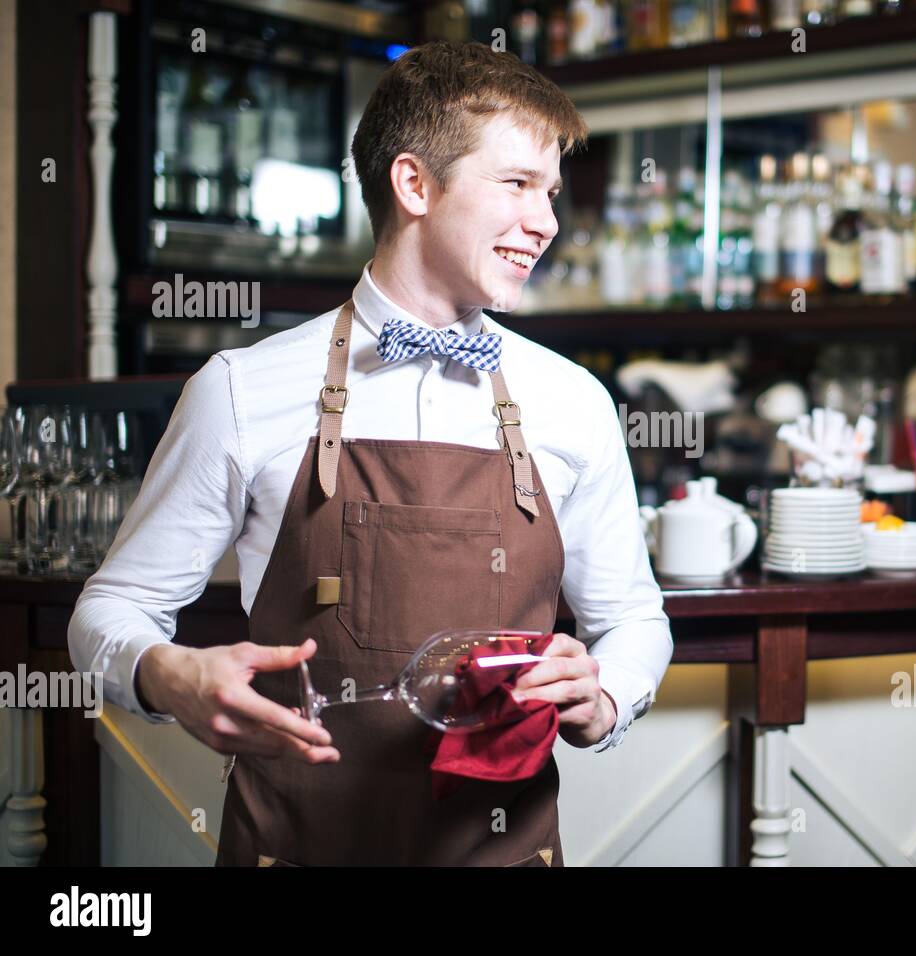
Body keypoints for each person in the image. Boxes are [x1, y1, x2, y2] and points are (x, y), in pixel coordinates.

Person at [68, 39, 673, 866]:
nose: (548, 223)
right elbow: (108, 612)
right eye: (518, 185)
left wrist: (604, 694)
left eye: (552, 192)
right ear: (415, 183)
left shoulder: (572, 401)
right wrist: (165, 675)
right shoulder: (241, 390)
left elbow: (634, 618)